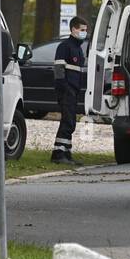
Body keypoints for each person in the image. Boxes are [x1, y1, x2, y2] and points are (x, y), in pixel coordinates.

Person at [51, 16, 89, 164]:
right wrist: (63, 88)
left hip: (74, 90)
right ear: (73, 29)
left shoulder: (78, 49)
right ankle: (58, 154)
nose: (84, 33)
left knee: (71, 121)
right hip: (66, 90)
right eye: (82, 30)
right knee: (68, 121)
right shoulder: (65, 47)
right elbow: (59, 70)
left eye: (85, 30)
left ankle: (65, 152)